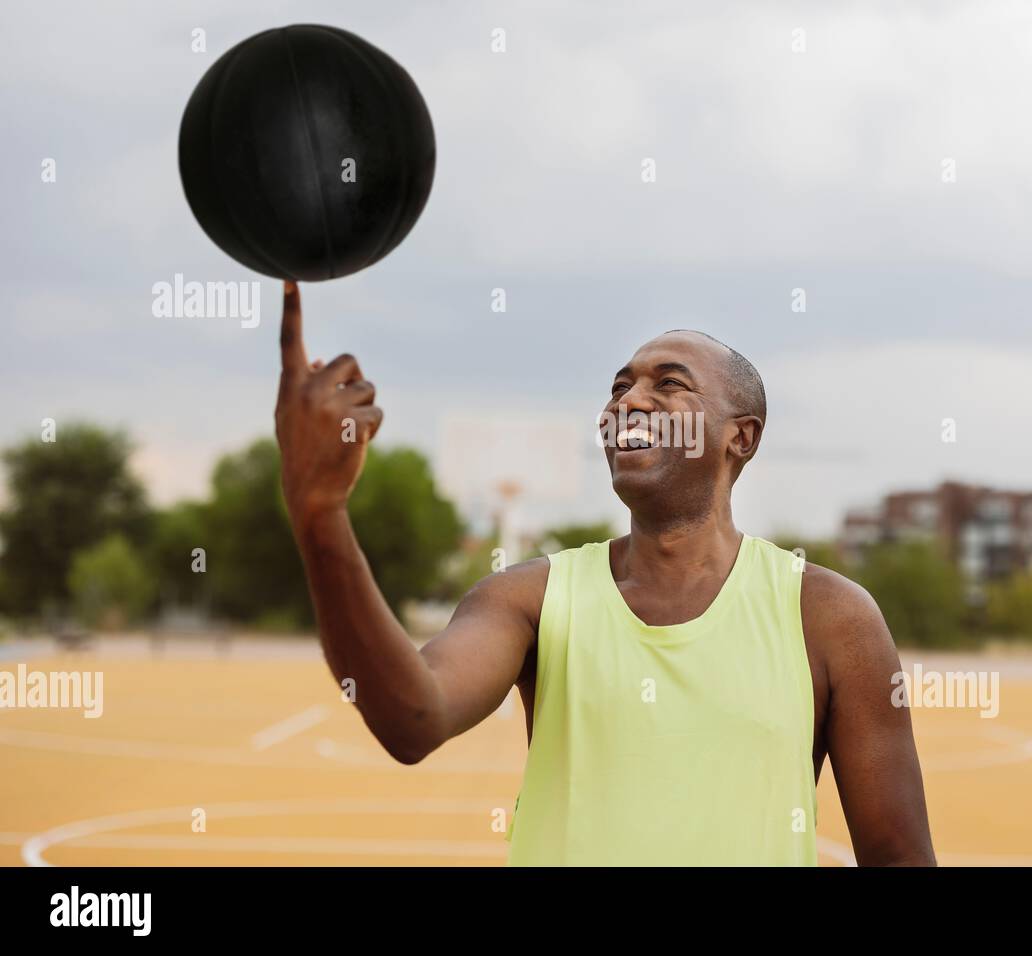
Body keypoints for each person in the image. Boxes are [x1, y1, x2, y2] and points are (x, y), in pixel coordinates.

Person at [275, 281, 935, 866]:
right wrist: (320, 514)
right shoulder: (530, 598)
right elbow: (409, 721)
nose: (628, 402)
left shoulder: (828, 617)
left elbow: (899, 857)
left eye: (667, 384)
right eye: (619, 387)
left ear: (741, 436)